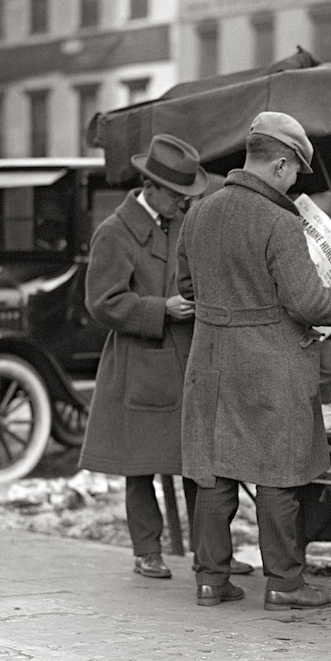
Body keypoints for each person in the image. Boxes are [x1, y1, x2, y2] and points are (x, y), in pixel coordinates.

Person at [178, 111, 331, 610]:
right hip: (271, 362)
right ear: (281, 164)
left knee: (215, 472)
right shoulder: (280, 222)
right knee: (278, 473)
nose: (293, 183)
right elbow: (307, 303)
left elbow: (186, 286)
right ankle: (285, 584)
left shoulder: (199, 212)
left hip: (210, 359)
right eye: (294, 172)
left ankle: (210, 579)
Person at [80, 134, 254, 580]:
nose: (184, 202)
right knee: (139, 466)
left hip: (186, 361)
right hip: (139, 364)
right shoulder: (114, 232)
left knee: (200, 463)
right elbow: (101, 302)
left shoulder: (182, 222)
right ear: (149, 187)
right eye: (177, 194)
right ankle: (147, 551)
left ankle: (210, 553)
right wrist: (161, 309)